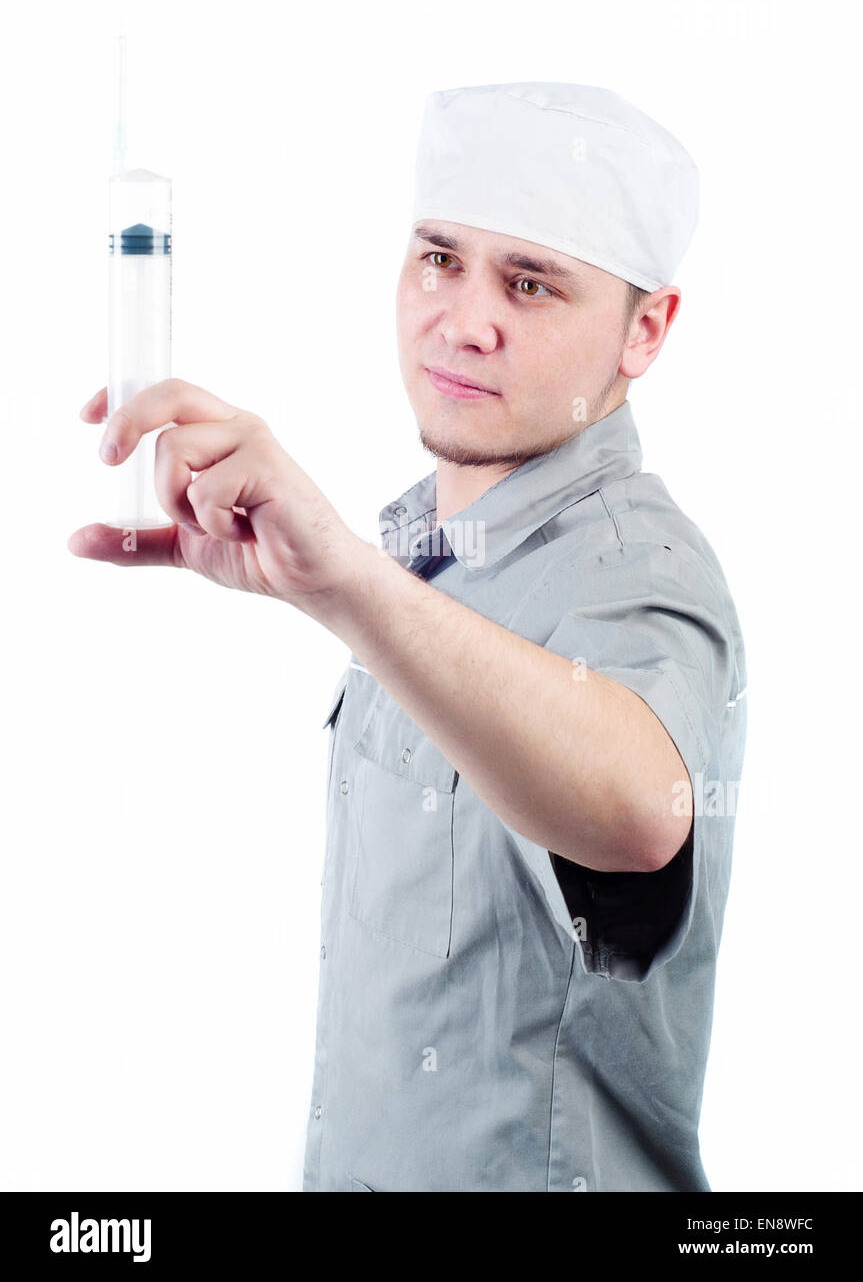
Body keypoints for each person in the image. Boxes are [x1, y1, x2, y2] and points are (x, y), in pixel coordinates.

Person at [69, 82, 747, 1192]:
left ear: (646, 331)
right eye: (440, 259)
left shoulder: (643, 567)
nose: (465, 318)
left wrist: (345, 584)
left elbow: (638, 808)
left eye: (530, 283)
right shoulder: (429, 554)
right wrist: (337, 582)